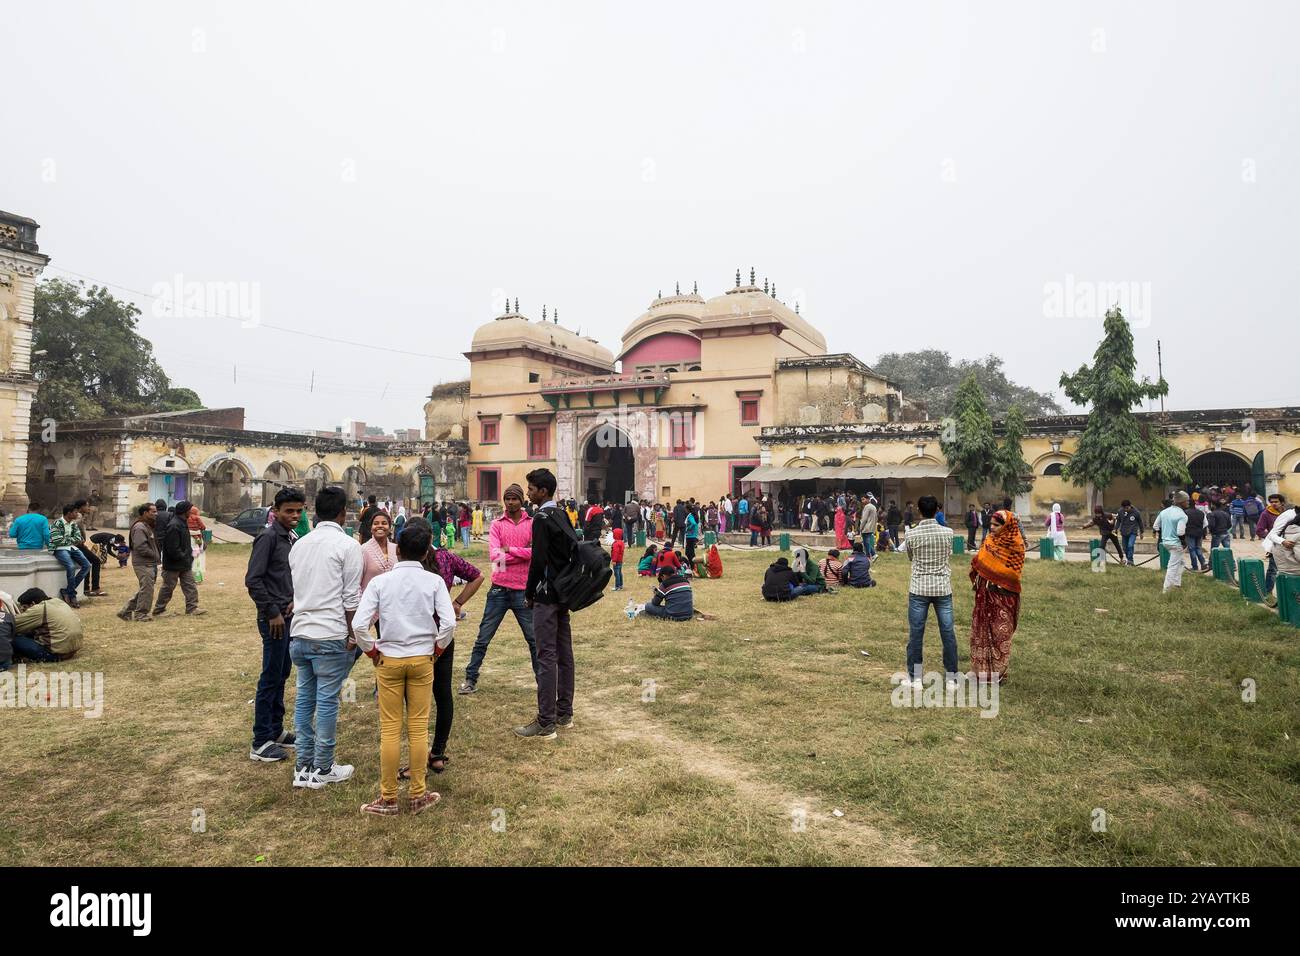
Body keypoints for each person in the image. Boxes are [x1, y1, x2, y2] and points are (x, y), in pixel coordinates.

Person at [351, 521, 453, 816]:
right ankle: (419, 794)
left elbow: (359, 624)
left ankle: (388, 797)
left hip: (389, 660)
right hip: (422, 659)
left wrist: (371, 650)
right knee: (419, 728)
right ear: (426, 551)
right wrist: (437, 648)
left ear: (398, 549)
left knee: (391, 729)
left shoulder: (380, 583)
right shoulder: (433, 581)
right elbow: (447, 623)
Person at [287, 486, 364, 790]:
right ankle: (322, 766)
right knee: (327, 701)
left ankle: (303, 766)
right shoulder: (348, 545)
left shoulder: (299, 544)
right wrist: (353, 634)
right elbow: (350, 598)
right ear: (344, 513)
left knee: (305, 700)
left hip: (301, 633)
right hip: (330, 634)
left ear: (314, 512)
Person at [245, 488, 306, 763]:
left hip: (287, 613)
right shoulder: (268, 537)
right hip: (274, 619)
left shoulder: (290, 537)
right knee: (270, 675)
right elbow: (253, 580)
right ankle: (260, 741)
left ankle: (276, 730)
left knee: (282, 671)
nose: (294, 515)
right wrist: (272, 612)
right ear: (276, 510)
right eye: (289, 511)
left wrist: (293, 599)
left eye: (298, 510)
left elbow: (285, 576)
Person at [461, 484, 536, 695]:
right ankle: (470, 678)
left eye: (514, 498)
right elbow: (495, 557)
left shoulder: (532, 523)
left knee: (533, 640)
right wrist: (522, 553)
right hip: (499, 589)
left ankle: (543, 681)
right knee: (484, 637)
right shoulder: (496, 524)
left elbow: (537, 552)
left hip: (524, 590)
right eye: (507, 498)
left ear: (522, 501)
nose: (510, 502)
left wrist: (509, 549)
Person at [517, 468, 574, 740]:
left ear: (542, 491)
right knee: (564, 653)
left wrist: (529, 593)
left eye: (531, 489)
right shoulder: (561, 514)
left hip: (546, 595)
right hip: (563, 592)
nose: (528, 493)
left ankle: (545, 720)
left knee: (546, 656)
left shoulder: (540, 518)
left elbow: (538, 561)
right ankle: (564, 712)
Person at [903, 495, 958, 688]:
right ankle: (952, 678)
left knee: (916, 634)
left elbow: (911, 557)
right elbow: (948, 554)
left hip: (919, 587)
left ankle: (915, 678)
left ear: (919, 510)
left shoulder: (911, 534)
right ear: (937, 510)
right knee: (948, 633)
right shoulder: (948, 532)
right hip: (942, 587)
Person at [969, 509, 1024, 684]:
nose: (992, 528)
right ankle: (981, 672)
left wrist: (997, 575)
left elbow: (1013, 574)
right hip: (985, 594)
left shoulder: (1016, 545)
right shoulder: (989, 541)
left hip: (1004, 595)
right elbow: (980, 561)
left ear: (1006, 526)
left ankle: (998, 674)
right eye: (991, 524)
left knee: (1001, 634)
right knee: (982, 631)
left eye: (996, 525)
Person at [152, 500, 206, 617]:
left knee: (190, 585)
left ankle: (192, 608)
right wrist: (182, 556)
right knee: (168, 588)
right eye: (189, 511)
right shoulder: (174, 525)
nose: (191, 513)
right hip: (173, 564)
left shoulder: (182, 522)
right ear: (185, 511)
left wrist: (188, 556)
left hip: (184, 562)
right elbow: (172, 548)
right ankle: (159, 610)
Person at [11, 588, 83, 663]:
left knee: (12, 637)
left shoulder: (39, 609)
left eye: (25, 608)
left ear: (33, 604)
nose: (24, 611)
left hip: (54, 654)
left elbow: (11, 625)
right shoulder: (59, 602)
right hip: (72, 650)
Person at [117, 503, 160, 622]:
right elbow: (141, 547)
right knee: (147, 589)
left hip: (149, 562)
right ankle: (141, 614)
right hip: (143, 563)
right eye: (153, 512)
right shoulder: (140, 527)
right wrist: (155, 555)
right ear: (145, 513)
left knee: (146, 588)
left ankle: (126, 611)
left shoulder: (147, 526)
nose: (156, 514)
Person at [1154, 492, 1190, 594]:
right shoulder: (1182, 515)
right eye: (1187, 500)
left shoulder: (1164, 512)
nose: (1188, 502)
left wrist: (1164, 534)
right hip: (1176, 544)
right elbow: (1180, 532)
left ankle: (1177, 584)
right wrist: (1184, 543)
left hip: (1165, 542)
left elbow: (1156, 526)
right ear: (1181, 501)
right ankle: (1166, 590)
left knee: (1181, 562)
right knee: (1172, 566)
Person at [71, 500, 107, 598]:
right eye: (87, 506)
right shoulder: (78, 516)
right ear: (81, 507)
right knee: (95, 561)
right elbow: (74, 527)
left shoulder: (79, 516)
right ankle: (95, 588)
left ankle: (86, 588)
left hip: (78, 544)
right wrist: (80, 540)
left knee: (87, 562)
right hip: (77, 545)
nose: (88, 508)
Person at [1257, 494, 1287, 595]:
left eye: (1276, 502)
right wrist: (1272, 537)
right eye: (1272, 502)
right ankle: (1267, 592)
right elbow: (1259, 530)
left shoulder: (1288, 513)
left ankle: (1289, 592)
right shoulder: (1266, 514)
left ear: (1282, 502)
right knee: (1273, 569)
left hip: (1289, 545)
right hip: (1276, 546)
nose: (1273, 504)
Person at [1183, 496, 1208, 572]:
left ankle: (1195, 566)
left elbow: (1183, 524)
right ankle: (1203, 563)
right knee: (1198, 548)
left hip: (1189, 533)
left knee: (1192, 549)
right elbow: (1205, 524)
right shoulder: (1201, 513)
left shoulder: (1185, 513)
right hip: (1199, 533)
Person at [1116, 500, 1144, 565]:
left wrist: (1141, 532)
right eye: (1124, 508)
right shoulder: (1120, 511)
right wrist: (1116, 528)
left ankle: (1130, 561)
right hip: (1124, 532)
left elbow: (1140, 522)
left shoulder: (1136, 512)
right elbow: (1118, 521)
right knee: (1125, 548)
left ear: (1130, 506)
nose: (1126, 509)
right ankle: (1129, 559)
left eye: (1127, 508)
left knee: (1130, 545)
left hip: (1132, 532)